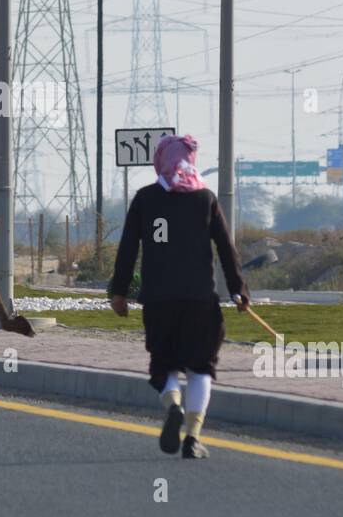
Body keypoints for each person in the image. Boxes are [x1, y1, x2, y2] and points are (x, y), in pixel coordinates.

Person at [107, 133, 250, 459]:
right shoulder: (206, 199)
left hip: (159, 301)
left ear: (160, 161)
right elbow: (227, 250)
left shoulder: (145, 199)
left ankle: (173, 404)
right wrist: (239, 291)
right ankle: (193, 437)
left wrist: (119, 293)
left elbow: (128, 249)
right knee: (201, 368)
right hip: (200, 301)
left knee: (165, 365)